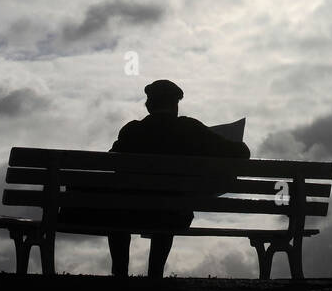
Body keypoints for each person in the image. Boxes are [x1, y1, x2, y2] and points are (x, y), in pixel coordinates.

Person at [60, 79, 249, 278]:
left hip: (126, 214)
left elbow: (109, 166)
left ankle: (120, 274)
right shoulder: (190, 129)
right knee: (169, 204)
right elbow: (241, 153)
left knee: (117, 206)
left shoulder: (131, 131)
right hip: (173, 217)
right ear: (175, 105)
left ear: (149, 105)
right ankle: (155, 275)